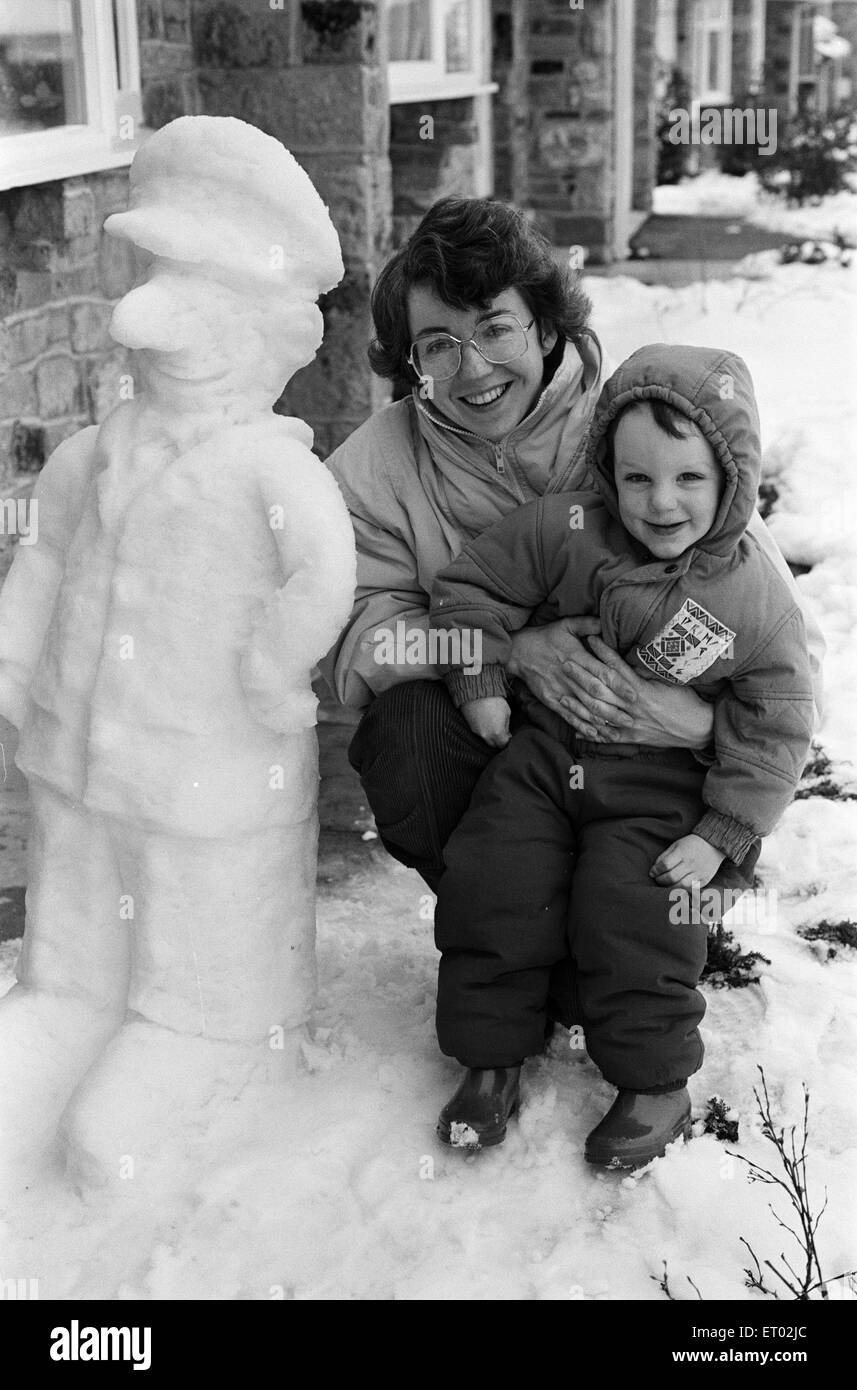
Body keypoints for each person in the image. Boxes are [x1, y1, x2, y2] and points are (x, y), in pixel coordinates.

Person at [320, 196, 823, 1017]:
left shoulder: (645, 428)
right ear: (410, 363)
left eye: (493, 329)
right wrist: (508, 653)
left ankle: (650, 939)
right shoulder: (373, 471)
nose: (473, 369)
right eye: (437, 346)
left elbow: (778, 644)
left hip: (657, 763)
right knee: (402, 733)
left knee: (648, 851)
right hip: (504, 743)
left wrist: (693, 724)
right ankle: (523, 952)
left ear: (546, 327)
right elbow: (357, 643)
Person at [428, 344, 814, 1168]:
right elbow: (470, 587)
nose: (659, 503)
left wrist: (720, 833)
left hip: (661, 785)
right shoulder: (567, 529)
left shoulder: (751, 596)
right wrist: (482, 678)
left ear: (731, 480)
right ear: (608, 471)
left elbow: (778, 720)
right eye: (636, 478)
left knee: (634, 906)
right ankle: (490, 1056)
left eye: (687, 479)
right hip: (545, 754)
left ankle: (652, 1081)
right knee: (496, 874)